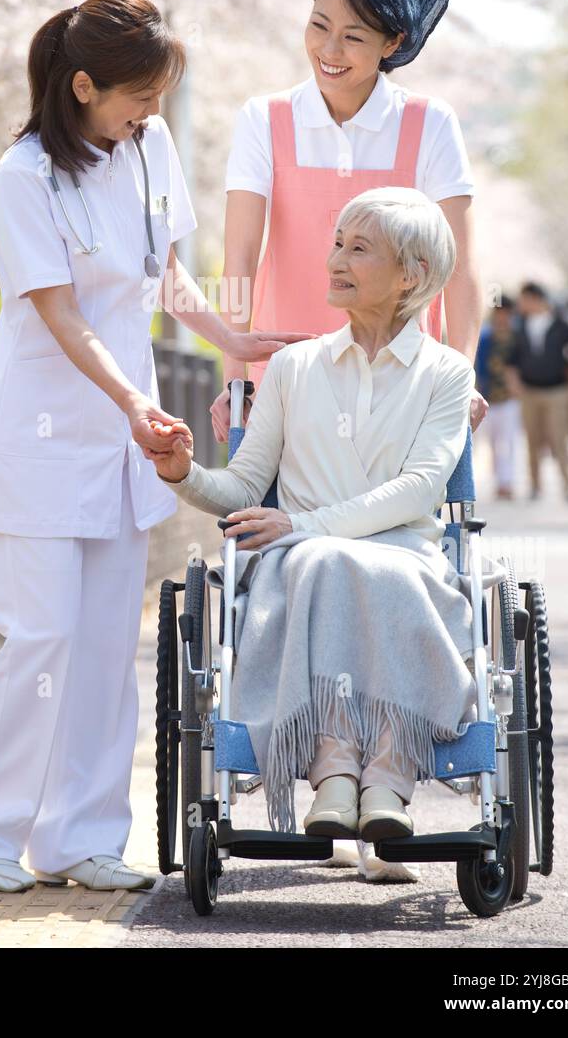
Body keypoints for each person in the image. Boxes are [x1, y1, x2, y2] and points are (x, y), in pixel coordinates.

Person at [0, 0, 311, 895]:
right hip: (44, 437)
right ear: (81, 87)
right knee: (41, 638)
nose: (151, 113)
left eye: (158, 97)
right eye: (137, 97)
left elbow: (163, 273)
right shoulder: (22, 178)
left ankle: (79, 837)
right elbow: (63, 317)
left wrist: (232, 339)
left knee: (106, 641)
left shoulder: (149, 147)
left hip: (123, 442)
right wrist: (132, 402)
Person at [144, 186, 478, 845]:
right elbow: (243, 488)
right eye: (335, 243)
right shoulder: (294, 367)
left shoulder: (444, 373)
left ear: (412, 274)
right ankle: (334, 771)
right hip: (301, 562)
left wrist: (304, 525)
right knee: (324, 562)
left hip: (399, 554)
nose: (334, 260)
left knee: (347, 561)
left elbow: (419, 490)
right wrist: (182, 473)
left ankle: (383, 773)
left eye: (359, 249)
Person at [212, 0, 487, 451]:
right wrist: (237, 378)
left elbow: (460, 268)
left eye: (354, 37)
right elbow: (240, 259)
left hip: (399, 383)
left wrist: (460, 375)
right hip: (282, 379)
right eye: (318, 25)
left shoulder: (429, 123)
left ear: (393, 43)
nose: (329, 49)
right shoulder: (264, 119)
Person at [505, 282, 568, 501]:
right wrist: (515, 383)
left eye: (524, 299)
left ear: (535, 298)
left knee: (562, 438)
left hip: (557, 389)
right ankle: (534, 485)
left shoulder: (561, 323)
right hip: (530, 390)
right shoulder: (519, 325)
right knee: (532, 439)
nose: (521, 304)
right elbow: (512, 358)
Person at [474, 295, 522, 498]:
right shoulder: (485, 336)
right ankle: (498, 481)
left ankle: (507, 481)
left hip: (510, 398)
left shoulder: (517, 337)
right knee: (492, 443)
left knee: (509, 442)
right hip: (488, 396)